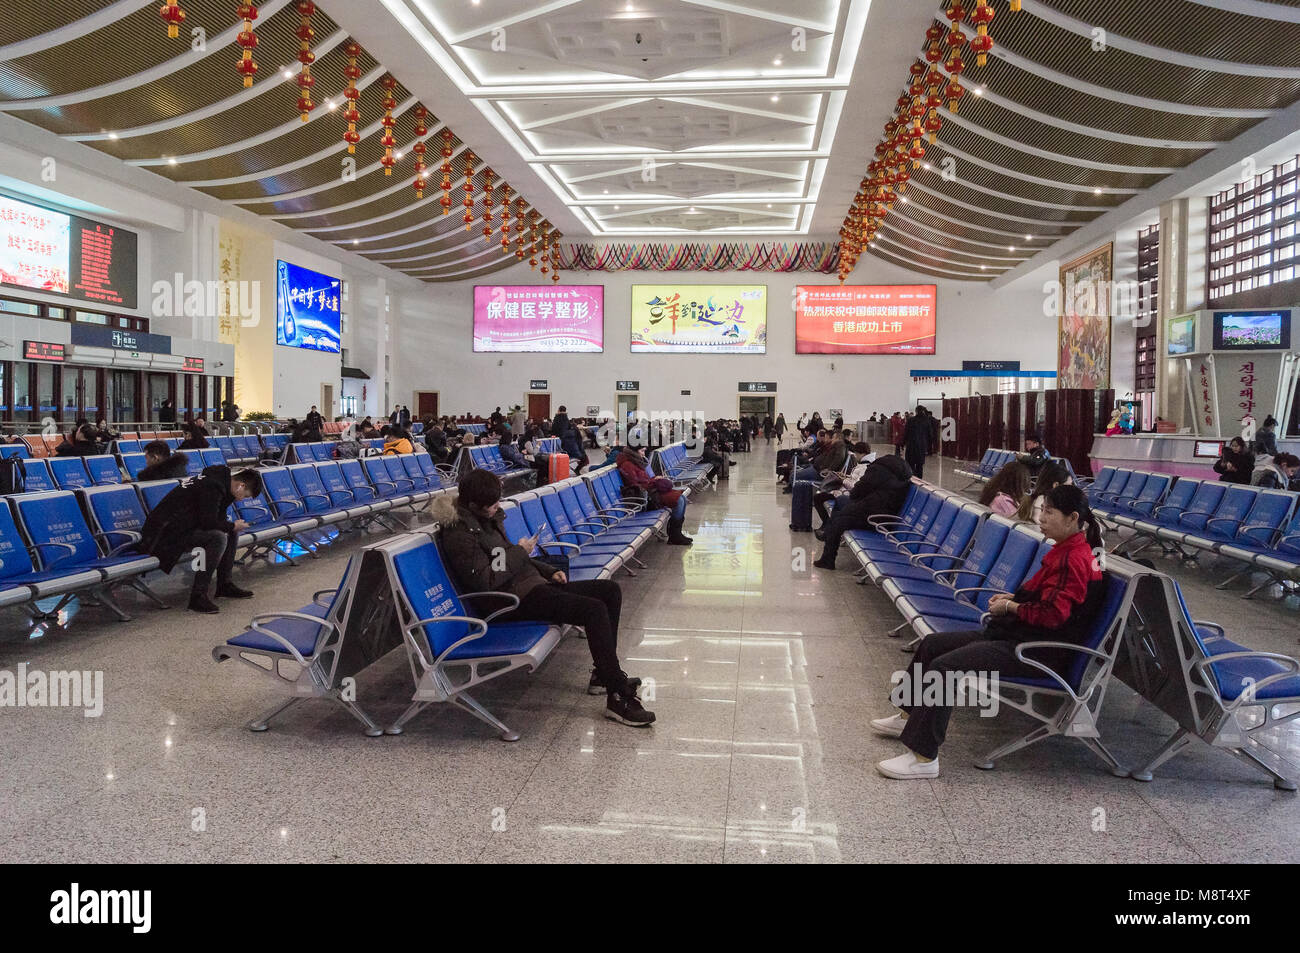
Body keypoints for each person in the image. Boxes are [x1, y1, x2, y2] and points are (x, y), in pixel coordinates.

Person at [871, 484, 1107, 779]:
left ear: (1072, 518)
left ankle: (923, 758)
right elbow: (1049, 600)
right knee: (932, 644)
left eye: (1049, 512)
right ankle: (908, 715)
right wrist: (1013, 600)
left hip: (1036, 651)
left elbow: (1052, 615)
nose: (1041, 518)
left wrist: (1010, 607)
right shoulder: (1068, 551)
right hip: (1021, 636)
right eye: (1042, 510)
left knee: (945, 668)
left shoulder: (1073, 560)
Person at [433, 472, 653, 726]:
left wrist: (548, 570)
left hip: (528, 587)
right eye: (492, 504)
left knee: (609, 591)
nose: (497, 506)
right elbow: (487, 579)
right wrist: (520, 551)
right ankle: (617, 695)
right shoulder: (460, 534)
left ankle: (603, 675)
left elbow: (503, 558)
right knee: (593, 610)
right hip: (507, 602)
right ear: (473, 505)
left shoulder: (485, 520)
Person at [139, 466, 262, 613]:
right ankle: (198, 597)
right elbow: (208, 522)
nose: (242, 499)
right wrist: (233, 525)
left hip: (181, 527)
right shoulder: (212, 486)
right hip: (163, 534)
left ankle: (224, 584)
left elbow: (216, 519)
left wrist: (232, 527)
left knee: (231, 532)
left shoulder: (221, 484)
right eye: (245, 496)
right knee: (218, 538)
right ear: (240, 486)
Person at [812, 455, 913, 570]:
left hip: (874, 517)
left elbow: (856, 492)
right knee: (841, 505)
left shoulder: (876, 470)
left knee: (839, 521)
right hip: (887, 515)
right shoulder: (902, 475)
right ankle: (828, 534)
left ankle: (827, 559)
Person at [617, 446, 692, 545]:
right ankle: (674, 535)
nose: (644, 454)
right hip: (644, 499)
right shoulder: (627, 465)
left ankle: (676, 533)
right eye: (642, 451)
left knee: (681, 498)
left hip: (651, 493)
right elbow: (635, 486)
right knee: (679, 500)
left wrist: (654, 480)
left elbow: (644, 481)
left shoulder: (634, 461)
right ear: (634, 451)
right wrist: (654, 481)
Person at [813, 441, 875, 526]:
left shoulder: (865, 467)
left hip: (847, 494)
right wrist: (845, 476)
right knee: (819, 497)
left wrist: (842, 480)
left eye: (856, 454)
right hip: (844, 491)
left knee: (818, 498)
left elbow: (856, 486)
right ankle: (827, 525)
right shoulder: (863, 464)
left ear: (861, 454)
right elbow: (854, 479)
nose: (855, 456)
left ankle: (827, 525)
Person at [902, 406, 930, 478]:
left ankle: (912, 480)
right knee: (919, 466)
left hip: (911, 446)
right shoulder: (926, 421)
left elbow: (906, 433)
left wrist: (903, 443)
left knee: (910, 465)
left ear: (916, 411)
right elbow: (930, 435)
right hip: (921, 446)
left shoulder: (911, 420)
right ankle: (919, 480)